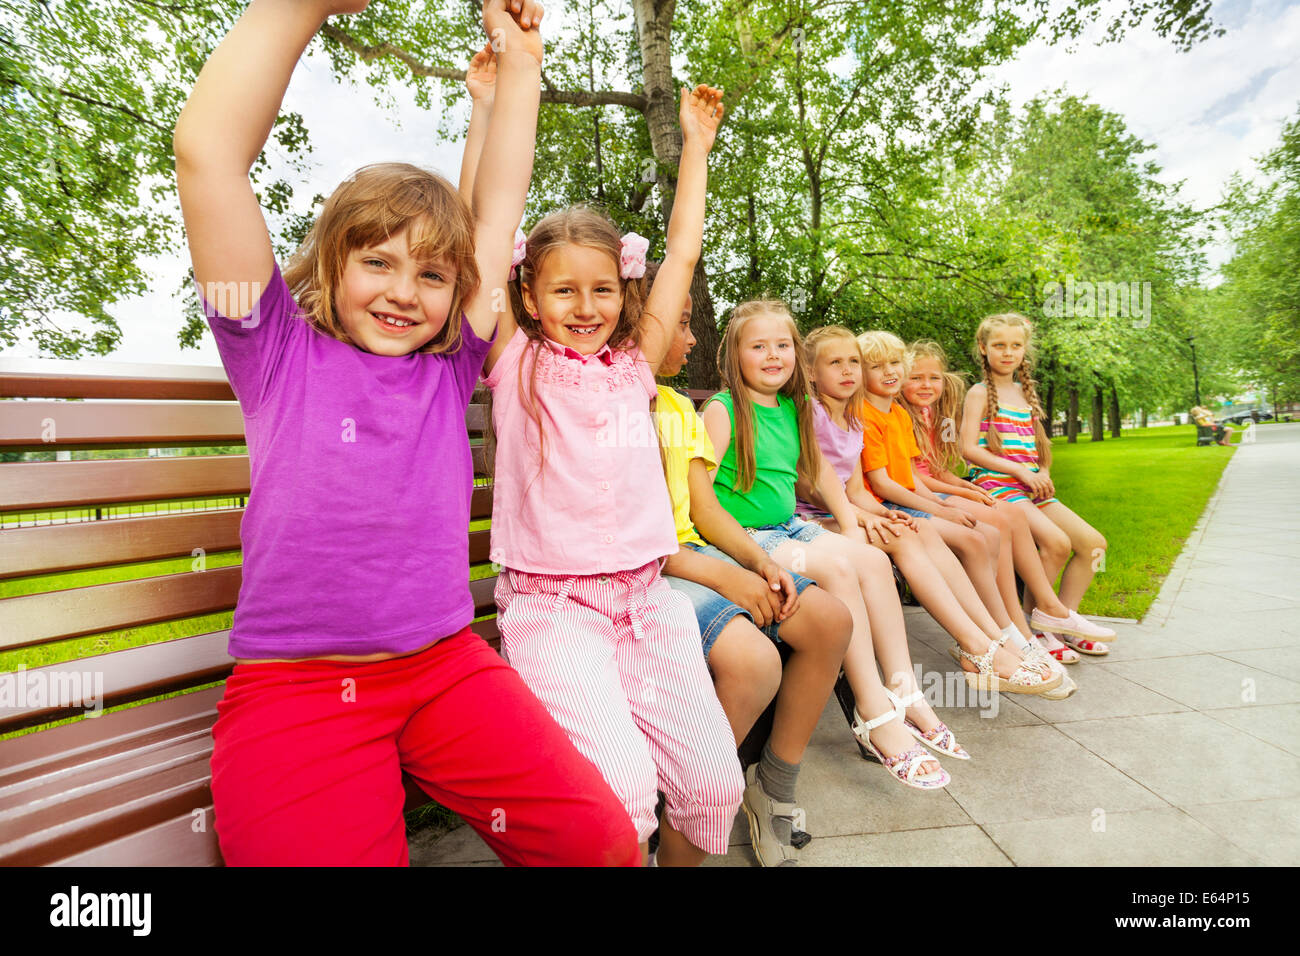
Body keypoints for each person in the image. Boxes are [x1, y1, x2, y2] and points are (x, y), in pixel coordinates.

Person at [177, 0, 639, 866]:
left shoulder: (450, 362)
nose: (404, 292)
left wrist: (523, 62)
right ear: (333, 264)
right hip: (297, 688)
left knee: (604, 845)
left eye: (432, 274)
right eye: (377, 261)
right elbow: (208, 157)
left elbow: (496, 212)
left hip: (441, 668)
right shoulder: (272, 348)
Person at [483, 86, 743, 866]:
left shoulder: (636, 366)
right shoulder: (515, 361)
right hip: (552, 607)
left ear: (623, 289)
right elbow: (486, 225)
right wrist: (494, 107)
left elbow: (685, 251)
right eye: (564, 289)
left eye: (602, 288)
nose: (585, 305)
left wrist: (695, 148)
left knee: (712, 784)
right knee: (621, 796)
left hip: (645, 600)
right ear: (529, 294)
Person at [650, 265, 851, 864]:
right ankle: (685, 808)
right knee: (755, 662)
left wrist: (759, 562)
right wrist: (727, 574)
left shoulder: (677, 408)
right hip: (659, 569)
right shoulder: (615, 411)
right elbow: (648, 539)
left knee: (829, 622)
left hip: (700, 552)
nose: (692, 341)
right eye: (681, 325)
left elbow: (704, 507)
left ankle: (771, 789)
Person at [797, 326, 1067, 702]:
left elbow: (859, 489)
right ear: (810, 371)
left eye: (853, 363)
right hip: (813, 519)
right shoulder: (813, 414)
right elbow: (812, 486)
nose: (848, 371)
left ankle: (992, 639)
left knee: (921, 532)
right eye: (836, 363)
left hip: (856, 510)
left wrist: (881, 514)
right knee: (915, 535)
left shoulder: (852, 419)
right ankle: (980, 645)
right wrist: (870, 516)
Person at [898, 340, 1085, 691]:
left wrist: (967, 488)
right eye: (916, 377)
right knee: (994, 524)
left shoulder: (934, 417)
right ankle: (1010, 630)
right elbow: (912, 477)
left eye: (933, 378)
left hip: (934, 489)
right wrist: (958, 493)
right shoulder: (900, 417)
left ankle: (1022, 624)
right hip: (915, 496)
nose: (926, 385)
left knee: (1008, 513)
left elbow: (939, 471)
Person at [960, 313, 1113, 657]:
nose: (1008, 352)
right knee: (1057, 544)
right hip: (1000, 488)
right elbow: (967, 448)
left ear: (1024, 350)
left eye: (1016, 345)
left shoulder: (1023, 391)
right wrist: (1022, 473)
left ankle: (1063, 621)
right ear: (983, 349)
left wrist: (1042, 470)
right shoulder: (978, 393)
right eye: (999, 345)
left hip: (1030, 488)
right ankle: (1037, 628)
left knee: (1092, 545)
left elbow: (1039, 445)